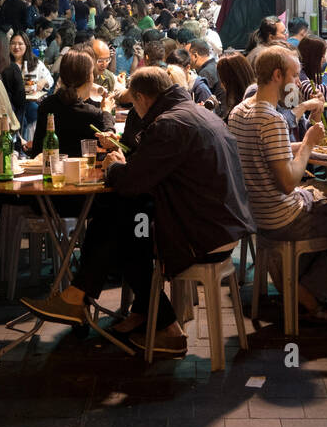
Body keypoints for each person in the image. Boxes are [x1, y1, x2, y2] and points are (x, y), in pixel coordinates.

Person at [20, 66, 253, 356]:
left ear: (142, 98)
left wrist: (114, 165)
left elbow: (130, 182)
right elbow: (152, 172)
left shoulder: (169, 124)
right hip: (224, 222)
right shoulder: (193, 112)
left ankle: (162, 325)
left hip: (204, 231)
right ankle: (125, 308)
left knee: (124, 226)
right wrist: (125, 163)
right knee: (124, 214)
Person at [231, 47, 327, 321]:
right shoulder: (271, 119)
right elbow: (288, 181)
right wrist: (308, 144)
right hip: (282, 216)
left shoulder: (240, 111)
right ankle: (309, 291)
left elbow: (268, 152)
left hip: (255, 213)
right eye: (294, 75)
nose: (297, 82)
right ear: (278, 75)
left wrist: (300, 146)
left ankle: (296, 278)